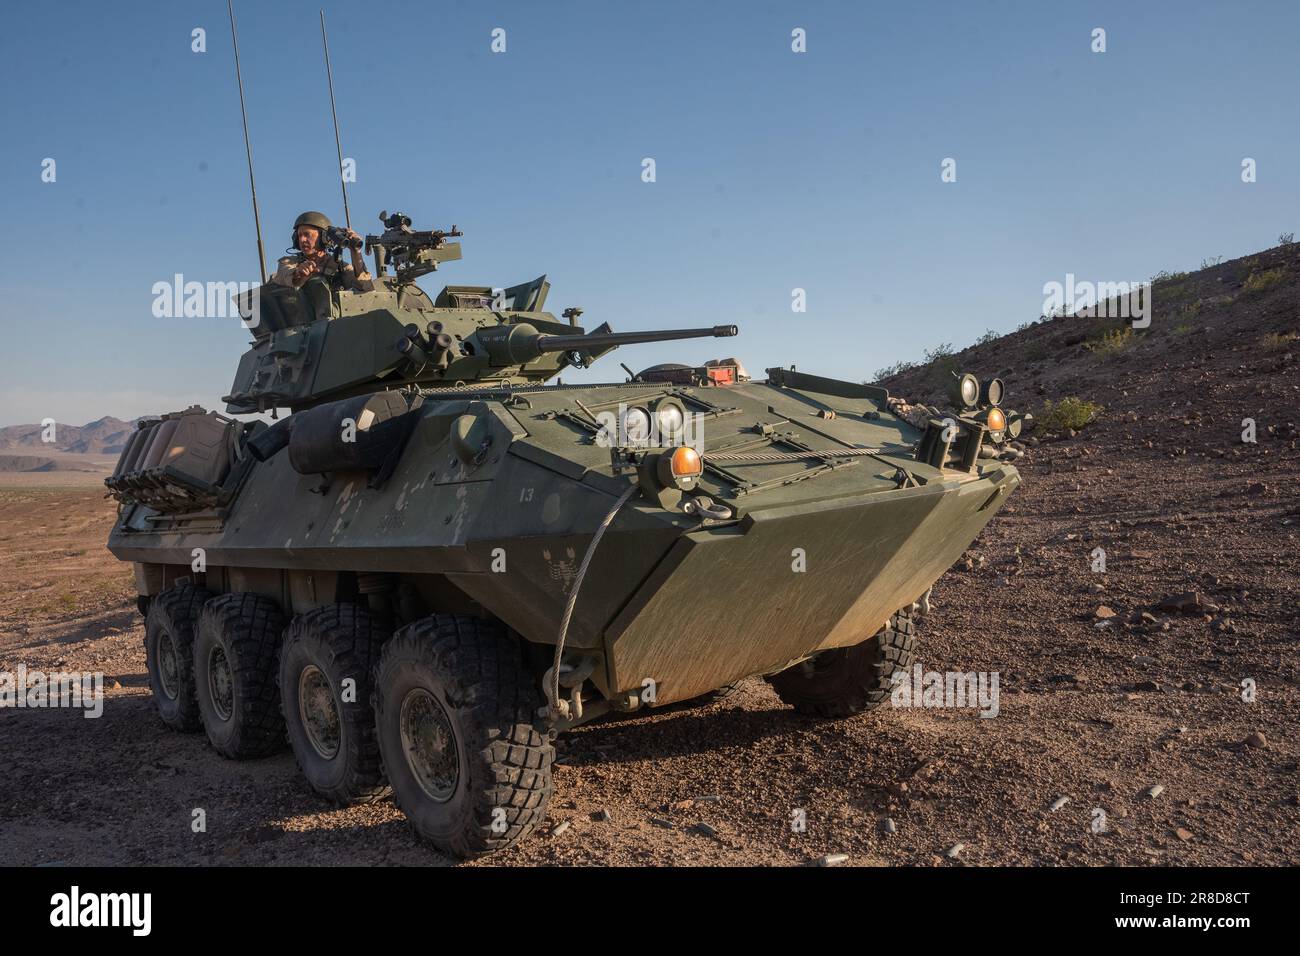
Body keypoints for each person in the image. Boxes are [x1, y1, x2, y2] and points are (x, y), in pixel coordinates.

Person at [271, 211, 374, 316]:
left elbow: (366, 291)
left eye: (307, 235)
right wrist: (300, 274)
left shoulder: (340, 267)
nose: (302, 240)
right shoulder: (288, 262)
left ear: (323, 238)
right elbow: (286, 276)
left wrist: (355, 252)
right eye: (299, 235)